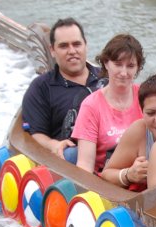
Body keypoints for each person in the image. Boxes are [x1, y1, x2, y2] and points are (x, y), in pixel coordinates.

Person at [20, 18, 105, 163]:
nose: (72, 51)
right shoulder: (41, 88)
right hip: (71, 161)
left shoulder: (107, 78)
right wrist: (54, 145)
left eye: (77, 44)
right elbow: (35, 134)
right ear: (52, 50)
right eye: (64, 46)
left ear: (86, 45)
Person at [71, 33, 145, 173]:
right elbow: (85, 164)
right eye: (118, 64)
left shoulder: (146, 97)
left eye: (130, 66)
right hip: (103, 180)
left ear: (137, 68)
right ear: (106, 63)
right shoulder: (91, 106)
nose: (124, 73)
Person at [99, 70, 156, 190]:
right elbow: (106, 174)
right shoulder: (139, 131)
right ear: (142, 112)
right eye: (150, 113)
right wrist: (128, 175)